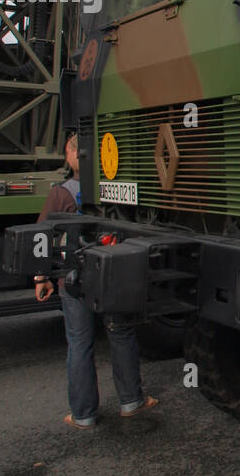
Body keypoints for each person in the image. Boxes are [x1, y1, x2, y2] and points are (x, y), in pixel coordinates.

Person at [34, 134, 157, 428]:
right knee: (121, 333)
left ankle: (83, 414)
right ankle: (131, 401)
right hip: (113, 275)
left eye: (68, 150)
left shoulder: (60, 194)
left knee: (79, 343)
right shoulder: (117, 191)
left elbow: (42, 237)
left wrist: (41, 277)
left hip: (72, 278)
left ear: (75, 156)